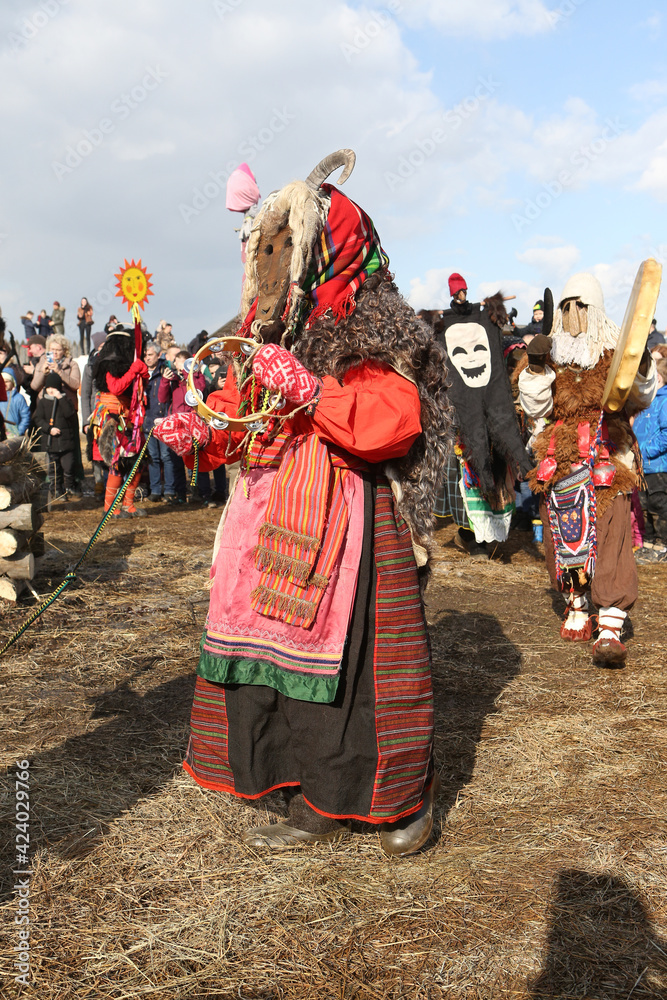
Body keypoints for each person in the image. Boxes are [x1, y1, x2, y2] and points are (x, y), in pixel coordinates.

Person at [153, 150, 450, 854]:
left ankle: (401, 802)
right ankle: (311, 800)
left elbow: (394, 421)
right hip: (273, 514)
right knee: (280, 669)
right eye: (268, 247)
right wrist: (201, 428)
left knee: (362, 674)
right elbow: (243, 412)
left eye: (288, 247)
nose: (272, 263)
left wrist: (314, 391)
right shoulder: (270, 333)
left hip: (353, 516)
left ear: (328, 247)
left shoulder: (377, 326)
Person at [518, 272, 657, 666]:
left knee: (611, 536)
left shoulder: (614, 352)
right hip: (559, 461)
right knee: (562, 538)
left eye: (580, 306)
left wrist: (641, 364)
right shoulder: (550, 355)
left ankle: (610, 625)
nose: (572, 313)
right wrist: (538, 368)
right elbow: (536, 409)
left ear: (594, 309)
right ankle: (577, 603)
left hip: (606, 456)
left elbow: (637, 396)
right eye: (565, 306)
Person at [434, 287, 531, 558]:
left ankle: (489, 537)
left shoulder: (501, 343)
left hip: (497, 424)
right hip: (465, 426)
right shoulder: (452, 343)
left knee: (501, 482)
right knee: (470, 482)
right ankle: (469, 536)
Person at [91, 325, 149, 517]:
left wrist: (143, 375)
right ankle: (109, 507)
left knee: (137, 462)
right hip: (112, 419)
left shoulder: (128, 365)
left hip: (130, 419)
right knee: (117, 463)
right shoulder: (108, 365)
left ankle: (128, 503)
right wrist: (134, 370)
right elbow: (116, 388)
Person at [633, 357, 667, 562]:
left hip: (658, 465)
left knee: (659, 506)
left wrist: (645, 451)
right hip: (643, 466)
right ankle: (649, 544)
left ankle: (662, 546)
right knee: (644, 506)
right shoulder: (647, 401)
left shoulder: (664, 401)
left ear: (660, 377)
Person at [142, 341, 180, 502]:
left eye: (150, 355)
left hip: (163, 421)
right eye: (145, 355)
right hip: (147, 421)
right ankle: (155, 490)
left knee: (166, 457)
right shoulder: (141, 373)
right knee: (153, 457)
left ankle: (170, 490)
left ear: (158, 355)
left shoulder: (166, 372)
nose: (147, 358)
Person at [33, 372, 78, 499]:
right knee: (54, 469)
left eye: (54, 388)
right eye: (49, 388)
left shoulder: (65, 400)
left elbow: (70, 415)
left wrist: (61, 398)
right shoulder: (43, 402)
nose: (51, 391)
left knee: (68, 466)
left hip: (66, 441)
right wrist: (49, 429)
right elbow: (38, 419)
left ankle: (69, 486)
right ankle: (57, 490)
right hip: (51, 442)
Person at [81, 332, 108, 500]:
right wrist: (85, 420)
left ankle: (112, 483)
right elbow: (85, 394)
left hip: (112, 412)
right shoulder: (90, 366)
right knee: (96, 450)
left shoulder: (115, 364)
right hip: (94, 415)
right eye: (101, 346)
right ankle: (99, 483)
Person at [30, 334, 81, 408]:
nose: (55, 352)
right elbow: (34, 386)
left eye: (58, 350)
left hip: (66, 405)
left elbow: (76, 385)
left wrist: (59, 371)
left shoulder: (72, 364)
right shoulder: (42, 362)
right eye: (52, 349)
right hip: (45, 405)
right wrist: (43, 373)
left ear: (64, 351)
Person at [0, 372, 30, 436]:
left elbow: (25, 416)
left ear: (13, 383)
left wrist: (19, 431)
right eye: (3, 382)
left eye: (7, 381)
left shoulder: (19, 398)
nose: (4, 384)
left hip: (14, 433)